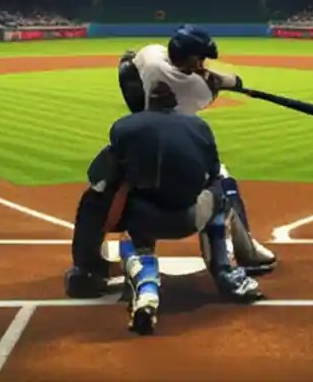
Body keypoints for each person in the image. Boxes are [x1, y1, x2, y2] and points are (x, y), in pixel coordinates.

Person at [65, 80, 263, 335]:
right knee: (221, 191)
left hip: (142, 218)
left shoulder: (124, 128)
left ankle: (116, 281)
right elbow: (213, 172)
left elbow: (97, 178)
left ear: (148, 102)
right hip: (189, 217)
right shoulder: (199, 127)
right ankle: (227, 274)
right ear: (175, 103)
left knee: (102, 198)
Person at [117, 25, 277, 274]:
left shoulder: (151, 55)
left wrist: (203, 72)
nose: (202, 63)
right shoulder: (196, 89)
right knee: (222, 181)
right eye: (199, 57)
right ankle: (240, 256)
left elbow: (130, 60)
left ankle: (96, 263)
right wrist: (229, 81)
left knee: (117, 184)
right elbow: (216, 83)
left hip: (143, 147)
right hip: (176, 152)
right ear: (188, 56)